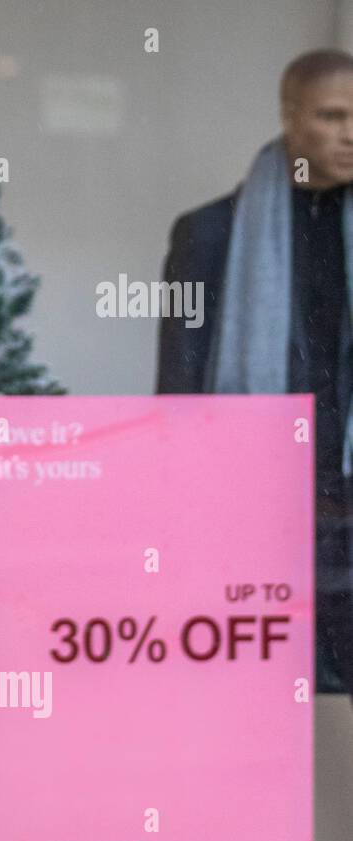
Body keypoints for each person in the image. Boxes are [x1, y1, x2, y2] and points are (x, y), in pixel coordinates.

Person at [156, 48, 353, 697]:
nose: (350, 132)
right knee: (255, 698)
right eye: (332, 115)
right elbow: (179, 397)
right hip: (255, 516)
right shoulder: (211, 234)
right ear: (291, 117)